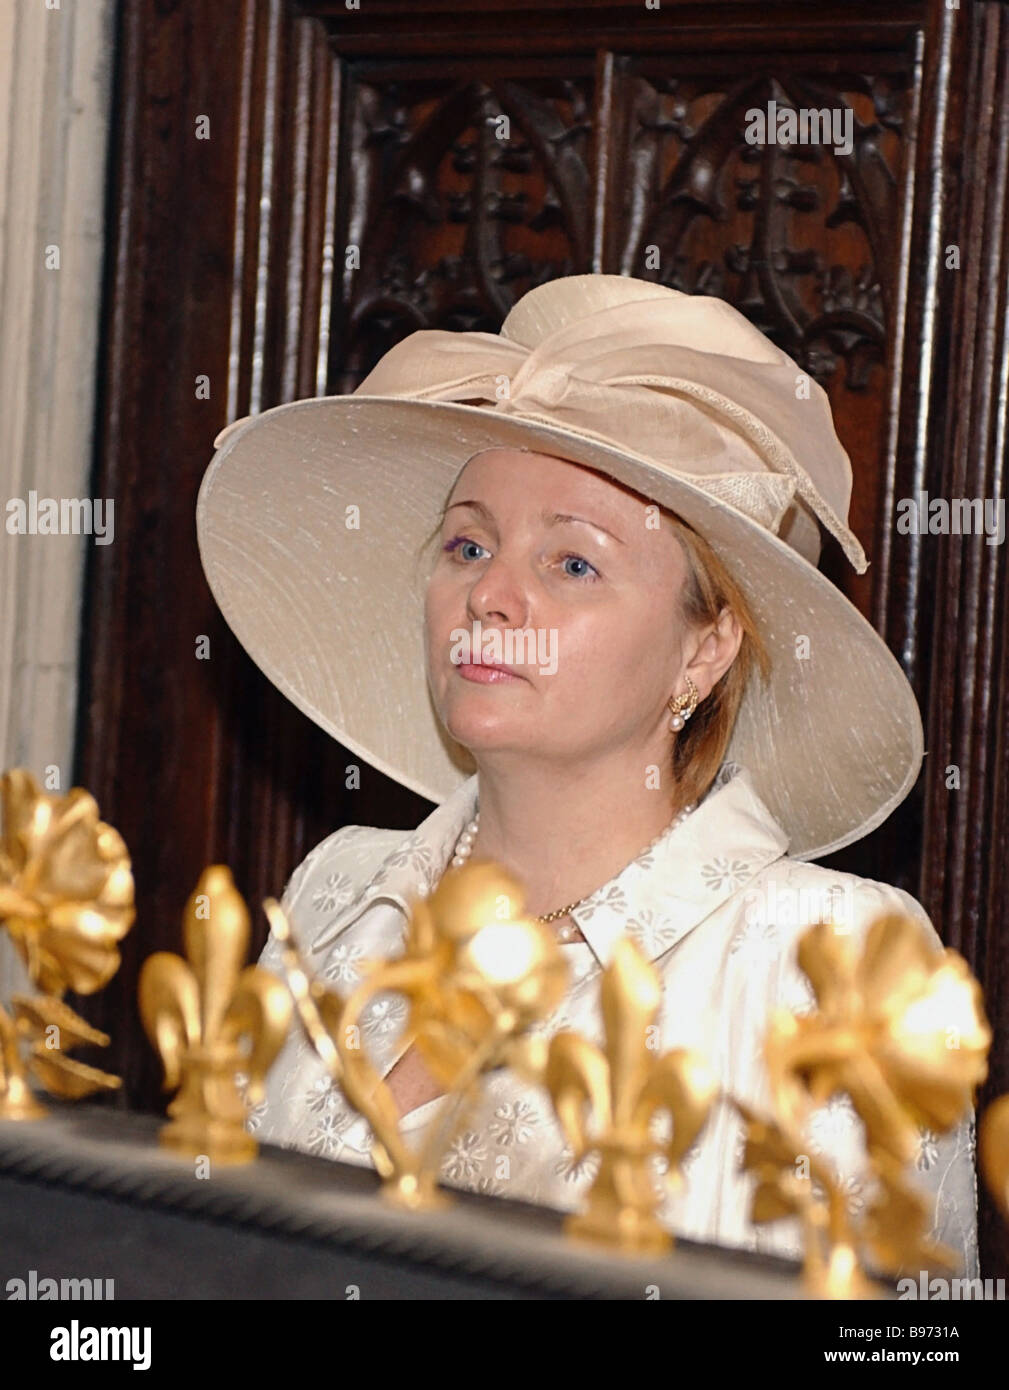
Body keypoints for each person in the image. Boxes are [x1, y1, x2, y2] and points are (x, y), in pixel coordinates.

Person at [196, 274, 980, 1274]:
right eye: (468, 543)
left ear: (705, 649)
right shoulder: (338, 889)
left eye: (572, 563)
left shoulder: (825, 958)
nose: (489, 591)